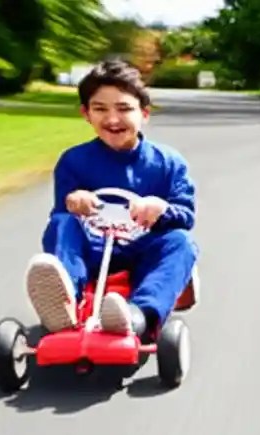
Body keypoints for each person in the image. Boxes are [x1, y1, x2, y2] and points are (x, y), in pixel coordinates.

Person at [27, 59, 197, 340]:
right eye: (100, 109)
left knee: (181, 242)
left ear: (144, 113)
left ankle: (140, 315)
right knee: (61, 223)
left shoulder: (168, 163)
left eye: (124, 109)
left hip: (142, 250)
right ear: (86, 114)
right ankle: (65, 299)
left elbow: (186, 216)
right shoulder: (74, 161)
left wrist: (160, 209)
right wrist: (75, 201)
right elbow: (62, 216)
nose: (113, 119)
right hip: (93, 250)